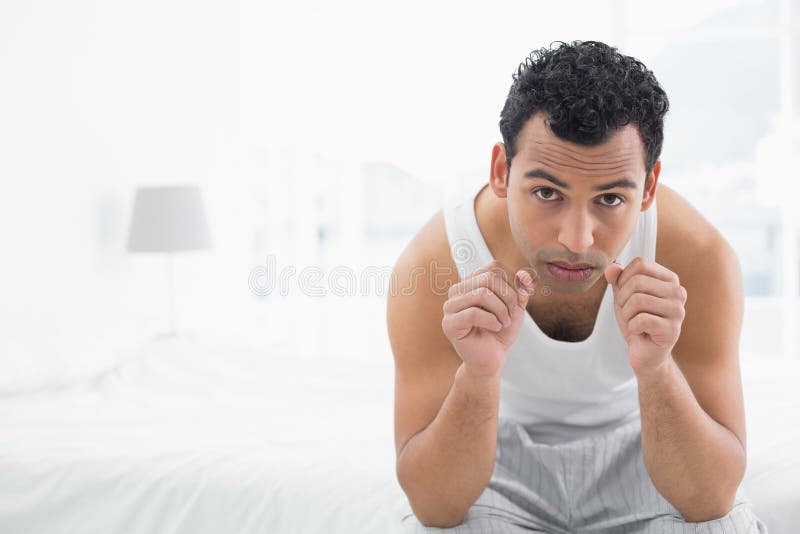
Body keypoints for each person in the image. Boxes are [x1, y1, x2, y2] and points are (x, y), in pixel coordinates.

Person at [387, 40, 768, 533]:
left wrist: (655, 368)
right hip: (493, 455)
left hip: (648, 446)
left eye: (609, 199)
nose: (576, 238)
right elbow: (435, 508)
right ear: (502, 171)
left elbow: (711, 497)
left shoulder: (698, 257)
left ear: (648, 188)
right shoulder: (436, 262)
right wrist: (479, 378)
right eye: (547, 193)